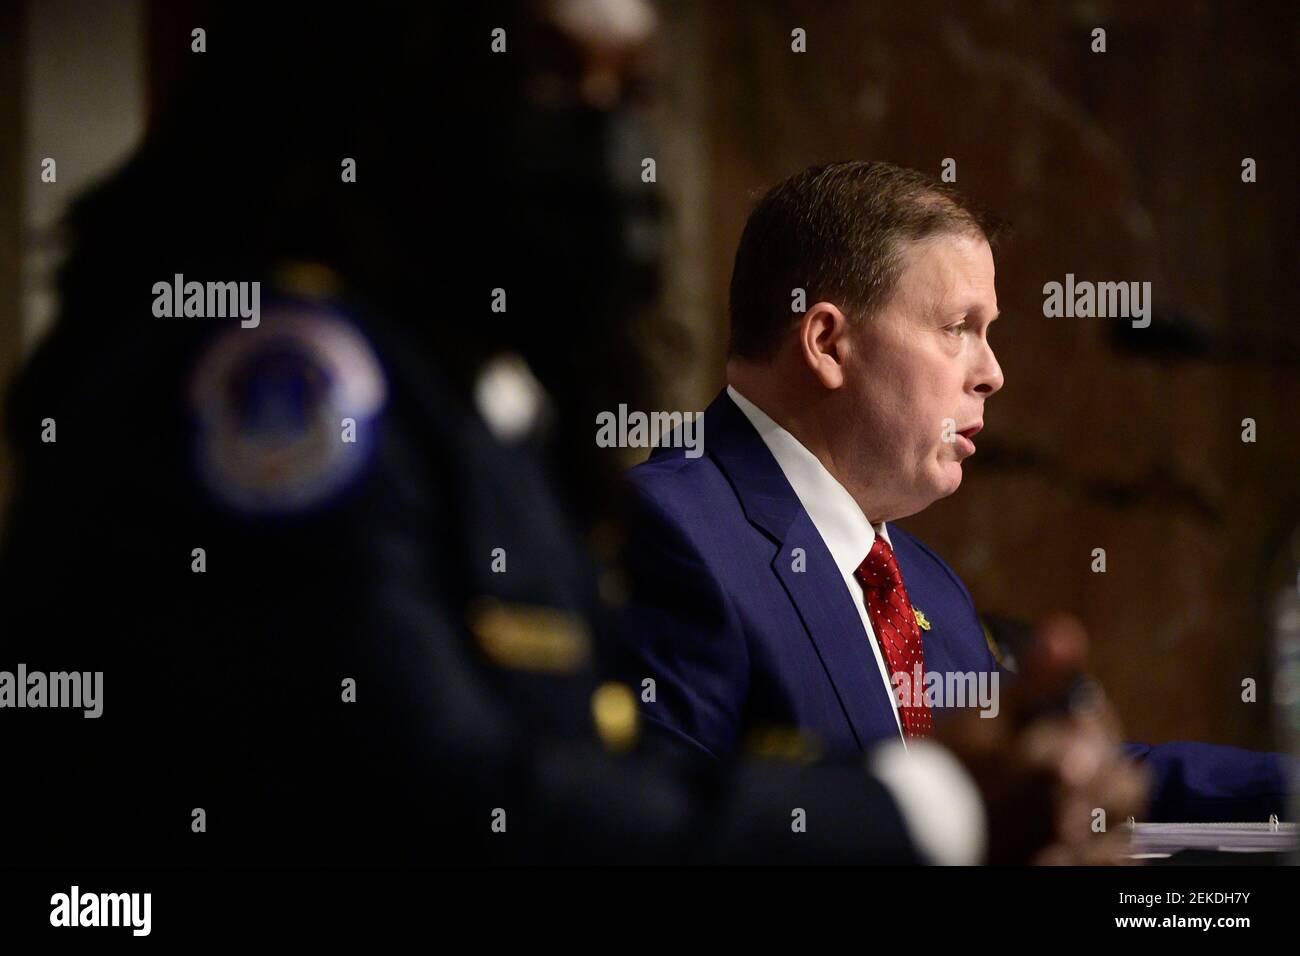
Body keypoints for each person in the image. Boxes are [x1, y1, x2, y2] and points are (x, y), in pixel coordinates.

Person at [0, 4, 1137, 867]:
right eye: (551, 74)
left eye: (631, 91)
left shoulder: (479, 405)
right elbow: (448, 807)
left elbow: (597, 766)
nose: (603, 141)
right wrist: (927, 812)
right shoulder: (289, 380)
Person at [619, 160, 1288, 834]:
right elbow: (663, 833)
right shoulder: (668, 531)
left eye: (987, 331)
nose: (992, 373)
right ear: (827, 343)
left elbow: (1026, 777)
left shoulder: (927, 585)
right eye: (957, 327)